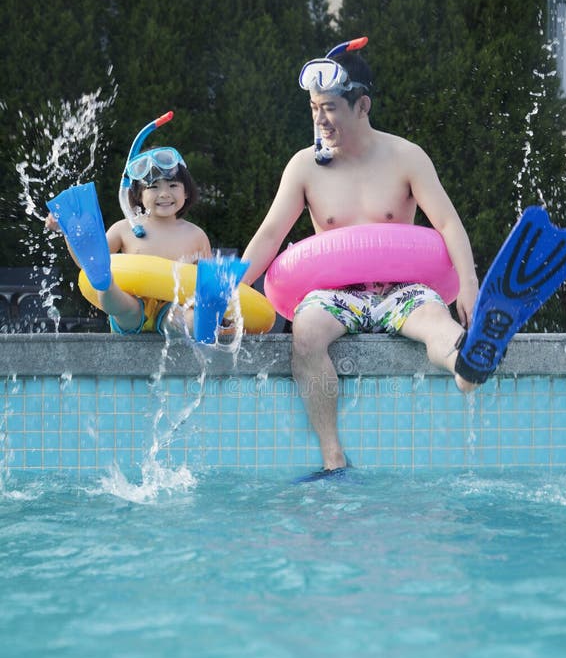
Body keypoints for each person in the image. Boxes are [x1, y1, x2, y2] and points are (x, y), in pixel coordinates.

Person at [241, 39, 480, 474]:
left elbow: (448, 224)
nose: (320, 119)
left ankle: (467, 365)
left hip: (401, 287)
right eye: (314, 107)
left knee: (435, 323)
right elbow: (270, 235)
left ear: (362, 105)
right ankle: (334, 459)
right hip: (334, 293)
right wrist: (233, 289)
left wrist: (469, 285)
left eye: (330, 107)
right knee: (306, 331)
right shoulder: (304, 167)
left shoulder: (406, 157)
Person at [45, 146, 211, 335]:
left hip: (173, 306)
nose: (164, 193)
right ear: (139, 195)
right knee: (124, 306)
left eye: (173, 186)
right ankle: (105, 284)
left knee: (187, 319)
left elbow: (209, 281)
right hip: (132, 302)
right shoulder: (125, 229)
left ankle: (203, 322)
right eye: (153, 187)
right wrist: (67, 232)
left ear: (186, 192)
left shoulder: (196, 235)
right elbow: (87, 263)